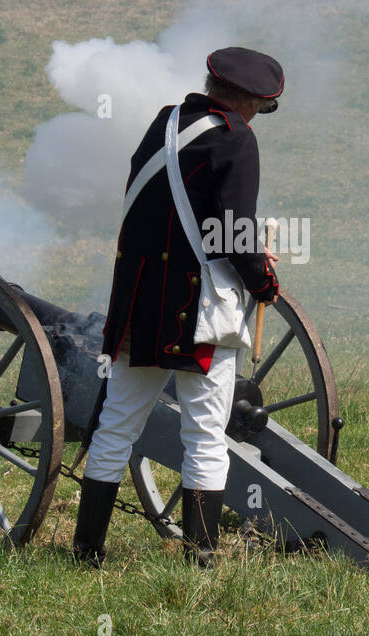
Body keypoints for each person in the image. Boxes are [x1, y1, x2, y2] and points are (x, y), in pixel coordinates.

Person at [72, 48, 281, 566]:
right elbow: (234, 232)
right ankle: (201, 560)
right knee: (206, 436)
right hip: (196, 311)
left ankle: (86, 551)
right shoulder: (236, 138)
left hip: (140, 306)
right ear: (251, 100)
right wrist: (265, 282)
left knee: (116, 424)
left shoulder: (164, 123)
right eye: (258, 105)